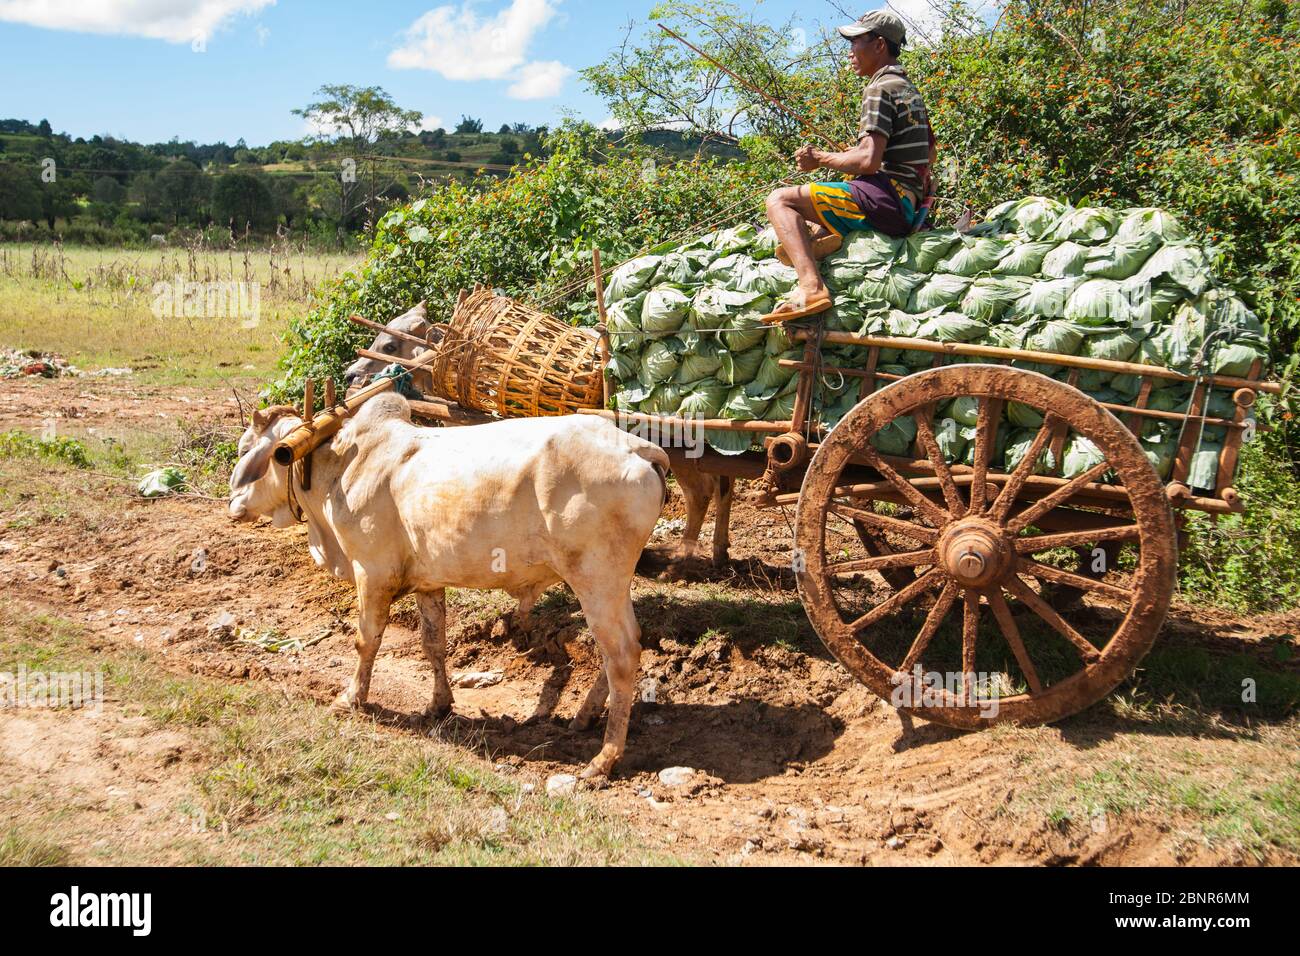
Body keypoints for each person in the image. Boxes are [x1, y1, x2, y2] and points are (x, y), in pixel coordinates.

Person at [762, 9, 936, 324]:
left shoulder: (879, 88)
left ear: (880, 45)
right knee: (818, 213)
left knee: (780, 200)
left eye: (856, 42)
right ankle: (821, 238)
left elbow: (868, 161)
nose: (851, 51)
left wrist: (820, 158)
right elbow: (928, 154)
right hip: (906, 204)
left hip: (887, 203)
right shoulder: (908, 91)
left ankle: (811, 287)